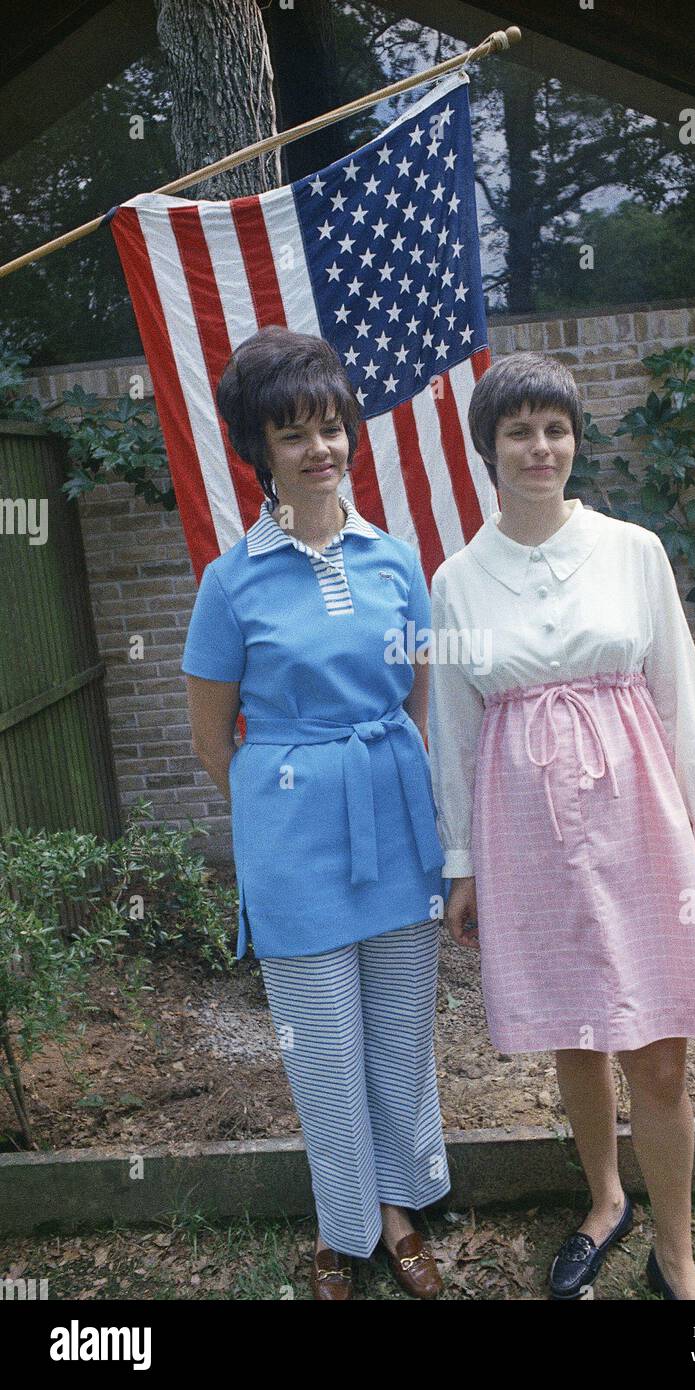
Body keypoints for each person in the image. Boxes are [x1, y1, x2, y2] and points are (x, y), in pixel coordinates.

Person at [427, 350, 695, 1301]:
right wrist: (463, 864)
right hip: (525, 823)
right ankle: (605, 1199)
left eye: (556, 427)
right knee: (575, 1025)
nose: (541, 446)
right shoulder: (457, 581)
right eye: (519, 430)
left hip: (639, 814)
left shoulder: (632, 550)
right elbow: (451, 727)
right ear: (489, 448)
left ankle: (675, 1254)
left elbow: (680, 694)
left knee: (659, 1046)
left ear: (575, 439)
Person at [181, 325, 449, 1301]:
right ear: (260, 452)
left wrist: (382, 778)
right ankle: (343, 1226)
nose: (321, 449)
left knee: (399, 1031)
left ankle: (400, 1205)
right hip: (293, 839)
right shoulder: (231, 581)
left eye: (332, 427)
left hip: (396, 819)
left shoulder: (396, 560)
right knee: (321, 1043)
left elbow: (418, 701)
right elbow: (216, 741)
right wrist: (286, 808)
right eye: (294, 434)